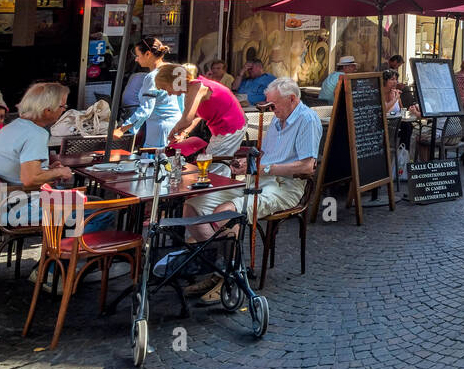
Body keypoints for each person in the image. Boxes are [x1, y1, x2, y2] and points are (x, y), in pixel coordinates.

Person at [184, 77, 320, 302]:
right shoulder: (277, 120)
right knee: (192, 207)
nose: (268, 109)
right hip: (260, 180)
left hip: (285, 187)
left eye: (272, 105)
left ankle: (230, 277)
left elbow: (307, 166)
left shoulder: (307, 119)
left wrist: (264, 168)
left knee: (226, 212)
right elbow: (264, 157)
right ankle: (222, 269)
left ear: (292, 99)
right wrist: (248, 165)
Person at [0, 83, 110, 232]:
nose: (64, 110)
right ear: (48, 110)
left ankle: (60, 248)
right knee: (100, 211)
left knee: (88, 202)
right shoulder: (35, 133)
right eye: (63, 106)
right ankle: (66, 253)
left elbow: (19, 170)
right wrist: (59, 172)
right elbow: (30, 179)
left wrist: (47, 171)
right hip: (16, 208)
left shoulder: (13, 127)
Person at [162, 62, 247, 160]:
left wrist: (172, 133)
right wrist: (183, 134)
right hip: (226, 128)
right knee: (215, 164)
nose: (168, 93)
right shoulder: (193, 87)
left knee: (213, 166)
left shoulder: (196, 87)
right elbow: (195, 116)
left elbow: (187, 119)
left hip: (229, 127)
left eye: (165, 88)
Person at [113, 36, 182, 150]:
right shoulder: (176, 70)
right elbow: (182, 103)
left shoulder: (151, 77)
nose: (136, 59)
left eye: (137, 56)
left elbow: (145, 110)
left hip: (159, 129)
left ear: (148, 54)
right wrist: (182, 129)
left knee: (154, 163)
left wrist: (122, 129)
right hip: (176, 126)